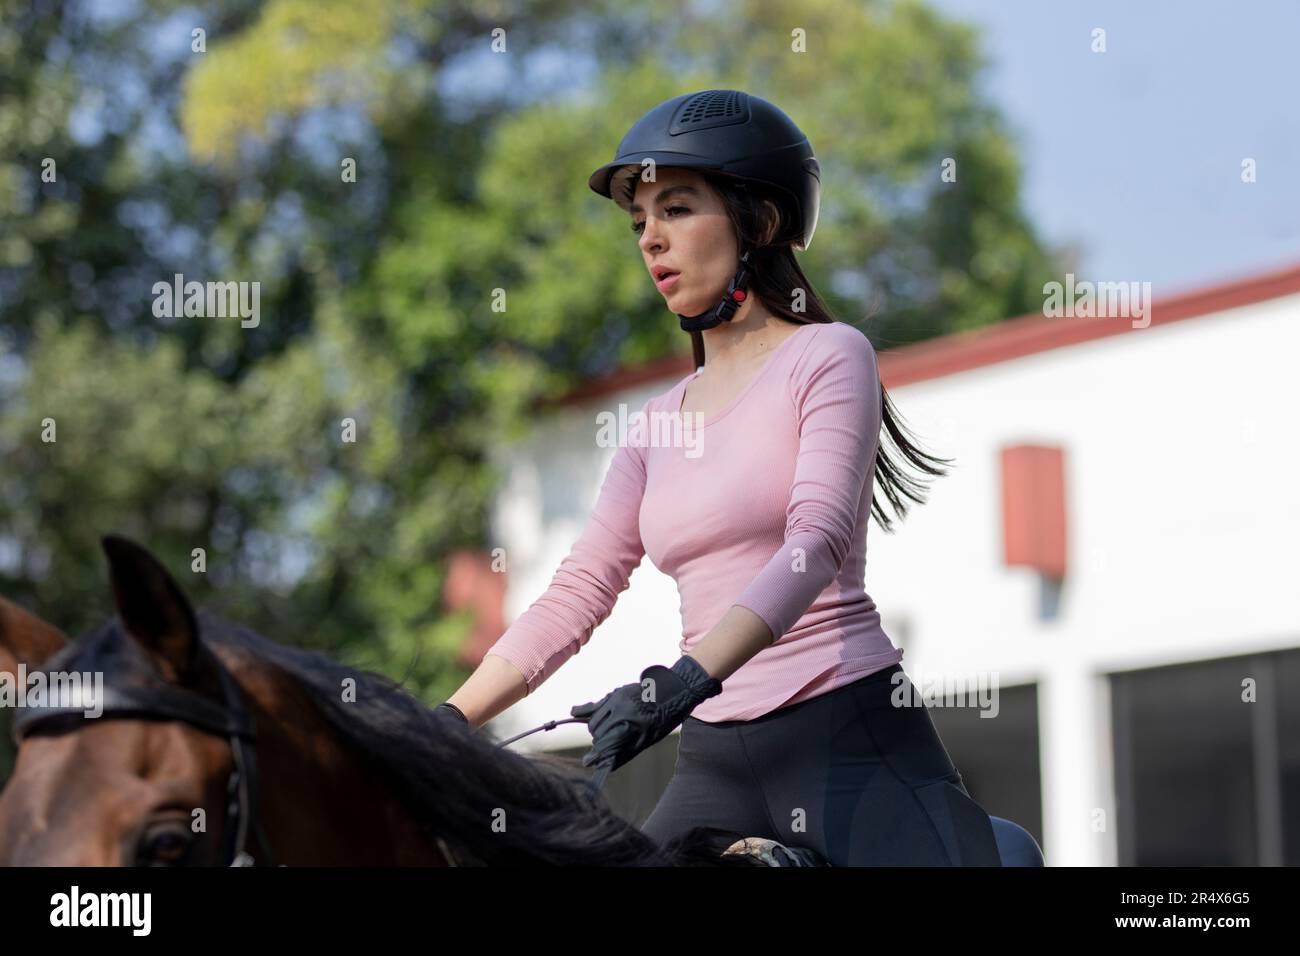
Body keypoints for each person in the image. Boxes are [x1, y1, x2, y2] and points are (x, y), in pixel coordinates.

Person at [439, 89, 1002, 865]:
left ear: (759, 221)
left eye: (675, 209)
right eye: (640, 222)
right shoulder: (653, 426)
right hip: (714, 760)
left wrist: (682, 680)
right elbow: (580, 588)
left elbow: (816, 542)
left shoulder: (830, 356)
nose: (650, 241)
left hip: (847, 737)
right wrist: (444, 720)